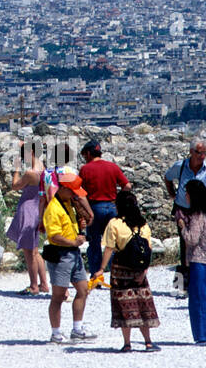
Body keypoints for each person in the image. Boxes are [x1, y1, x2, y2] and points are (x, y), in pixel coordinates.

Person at [99, 188, 160, 351]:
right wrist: (144, 272)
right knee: (142, 304)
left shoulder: (114, 224)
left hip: (121, 269)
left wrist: (101, 269)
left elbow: (109, 248)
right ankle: (148, 341)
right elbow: (148, 250)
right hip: (139, 270)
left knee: (123, 305)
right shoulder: (143, 225)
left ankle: (127, 343)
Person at [41, 171, 97, 344]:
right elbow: (54, 236)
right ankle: (56, 333)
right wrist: (74, 242)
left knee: (83, 290)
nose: (75, 195)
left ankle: (77, 329)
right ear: (63, 188)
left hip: (73, 254)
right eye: (73, 191)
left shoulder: (68, 204)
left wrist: (79, 227)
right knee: (58, 297)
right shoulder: (53, 209)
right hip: (61, 255)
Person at [163, 137, 206, 294]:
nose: (202, 156)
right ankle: (180, 287)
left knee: (202, 246)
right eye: (198, 152)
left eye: (204, 153)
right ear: (191, 152)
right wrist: (172, 194)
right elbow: (168, 178)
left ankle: (195, 284)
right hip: (183, 210)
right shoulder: (180, 167)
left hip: (201, 212)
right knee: (184, 246)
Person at [78, 138, 129, 277]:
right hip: (112, 207)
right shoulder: (112, 167)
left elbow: (79, 191)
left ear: (88, 154)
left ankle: (96, 275)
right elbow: (127, 186)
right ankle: (114, 273)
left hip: (94, 208)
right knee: (113, 243)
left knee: (94, 243)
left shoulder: (85, 169)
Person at [176, 179, 206, 345]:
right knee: (205, 298)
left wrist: (182, 225)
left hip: (198, 260)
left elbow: (191, 239)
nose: (185, 196)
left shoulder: (197, 215)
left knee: (198, 299)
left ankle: (205, 335)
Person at [6, 143, 50, 294]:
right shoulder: (43, 168)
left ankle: (34, 286)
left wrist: (17, 168)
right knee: (36, 251)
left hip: (28, 210)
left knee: (29, 252)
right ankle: (44, 284)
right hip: (38, 210)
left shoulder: (30, 173)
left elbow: (14, 186)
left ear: (31, 152)